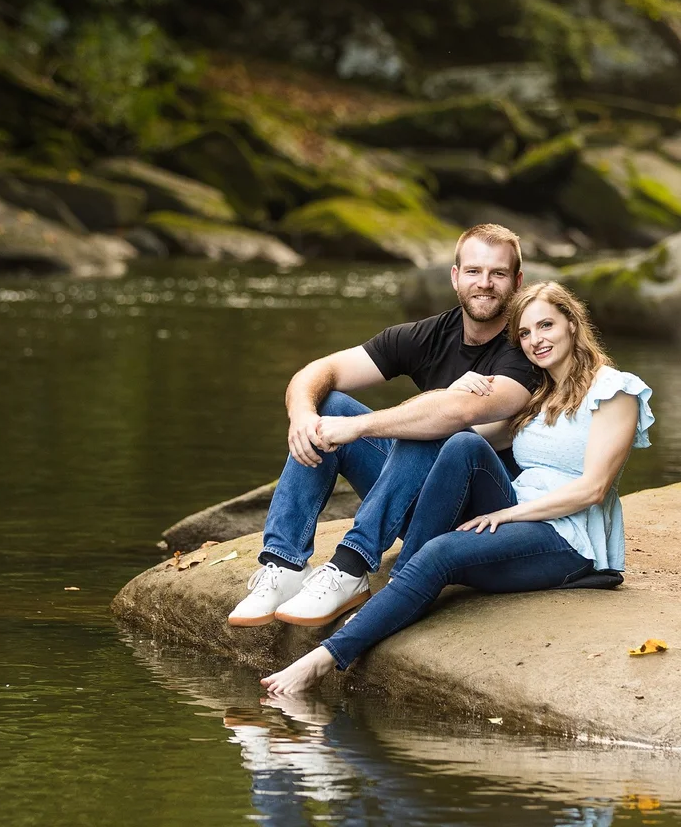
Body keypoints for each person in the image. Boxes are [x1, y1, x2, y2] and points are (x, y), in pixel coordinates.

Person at [260, 281, 654, 695]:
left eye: (546, 326)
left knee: (440, 552)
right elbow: (460, 438)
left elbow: (593, 489)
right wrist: (452, 393)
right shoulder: (539, 395)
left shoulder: (615, 390)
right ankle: (391, 584)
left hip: (568, 538)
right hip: (518, 511)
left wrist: (508, 514)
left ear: (572, 324)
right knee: (462, 444)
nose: (536, 340)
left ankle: (322, 660)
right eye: (524, 333)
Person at [228, 224, 541, 628]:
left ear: (517, 281)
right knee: (330, 403)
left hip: (480, 516)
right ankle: (285, 564)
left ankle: (350, 566)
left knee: (434, 425)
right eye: (473, 271)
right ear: (455, 277)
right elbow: (321, 370)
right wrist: (303, 415)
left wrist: (362, 427)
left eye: (497, 273)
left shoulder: (527, 346)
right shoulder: (431, 334)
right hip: (417, 506)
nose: (484, 283)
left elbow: (460, 416)